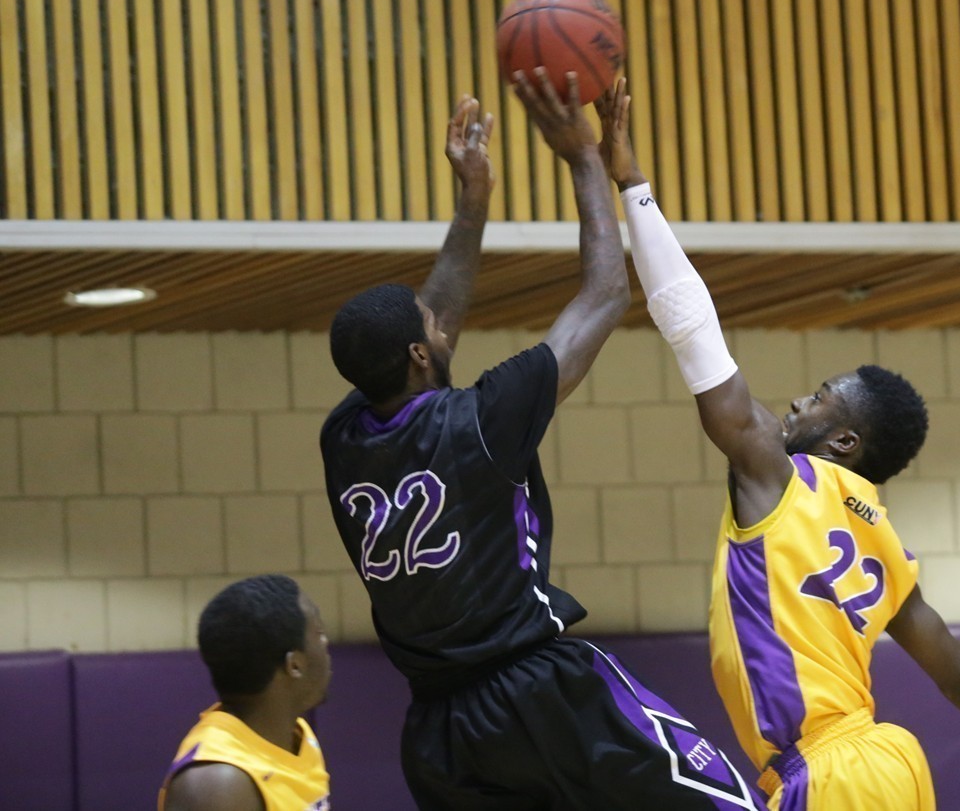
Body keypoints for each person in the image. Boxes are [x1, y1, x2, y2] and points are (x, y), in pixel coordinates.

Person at [593, 88, 960, 811]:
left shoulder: (777, 476)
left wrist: (634, 188)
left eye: (819, 397)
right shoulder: (881, 536)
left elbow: (695, 333)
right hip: (890, 763)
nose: (798, 403)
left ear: (842, 439)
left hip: (828, 773)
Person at [319, 73, 755, 811]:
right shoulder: (477, 424)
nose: (438, 320)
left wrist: (474, 202)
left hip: (438, 732)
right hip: (539, 692)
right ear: (421, 356)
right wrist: (585, 156)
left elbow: (432, 329)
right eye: (426, 326)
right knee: (727, 801)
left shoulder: (342, 436)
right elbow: (607, 294)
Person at [159, 575, 332, 811]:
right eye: (319, 633)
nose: (325, 644)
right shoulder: (218, 785)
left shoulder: (297, 734)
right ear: (295, 665)